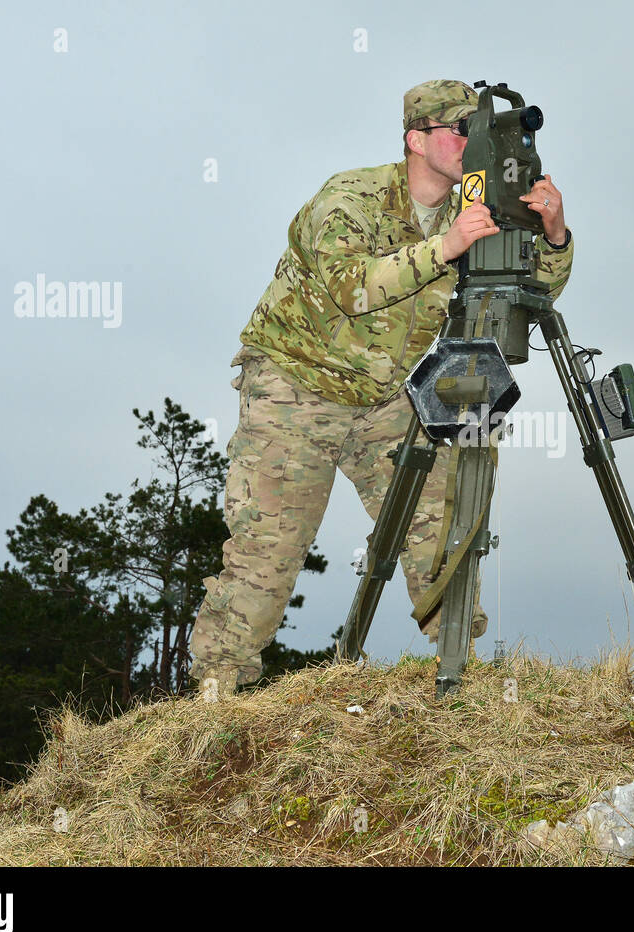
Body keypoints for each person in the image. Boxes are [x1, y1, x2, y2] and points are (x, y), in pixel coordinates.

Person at [188, 79, 575, 696]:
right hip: (297, 387)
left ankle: (459, 661)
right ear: (415, 140)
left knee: (442, 515)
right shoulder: (350, 198)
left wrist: (552, 233)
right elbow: (353, 290)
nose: (471, 142)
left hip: (383, 399)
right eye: (459, 130)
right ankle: (216, 689)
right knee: (269, 548)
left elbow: (529, 293)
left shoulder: (472, 210)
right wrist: (446, 246)